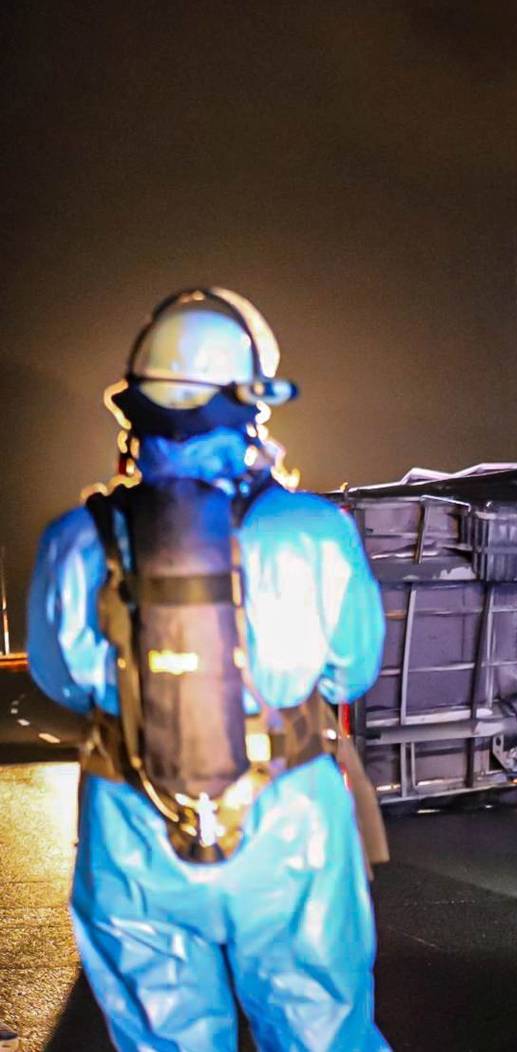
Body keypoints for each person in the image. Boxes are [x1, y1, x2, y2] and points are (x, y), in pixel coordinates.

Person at [27, 288, 390, 1051]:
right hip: (291, 830)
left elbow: (60, 684)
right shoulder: (314, 530)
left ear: (135, 409)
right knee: (324, 1031)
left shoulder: (72, 540)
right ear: (252, 405)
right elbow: (351, 673)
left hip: (132, 833)